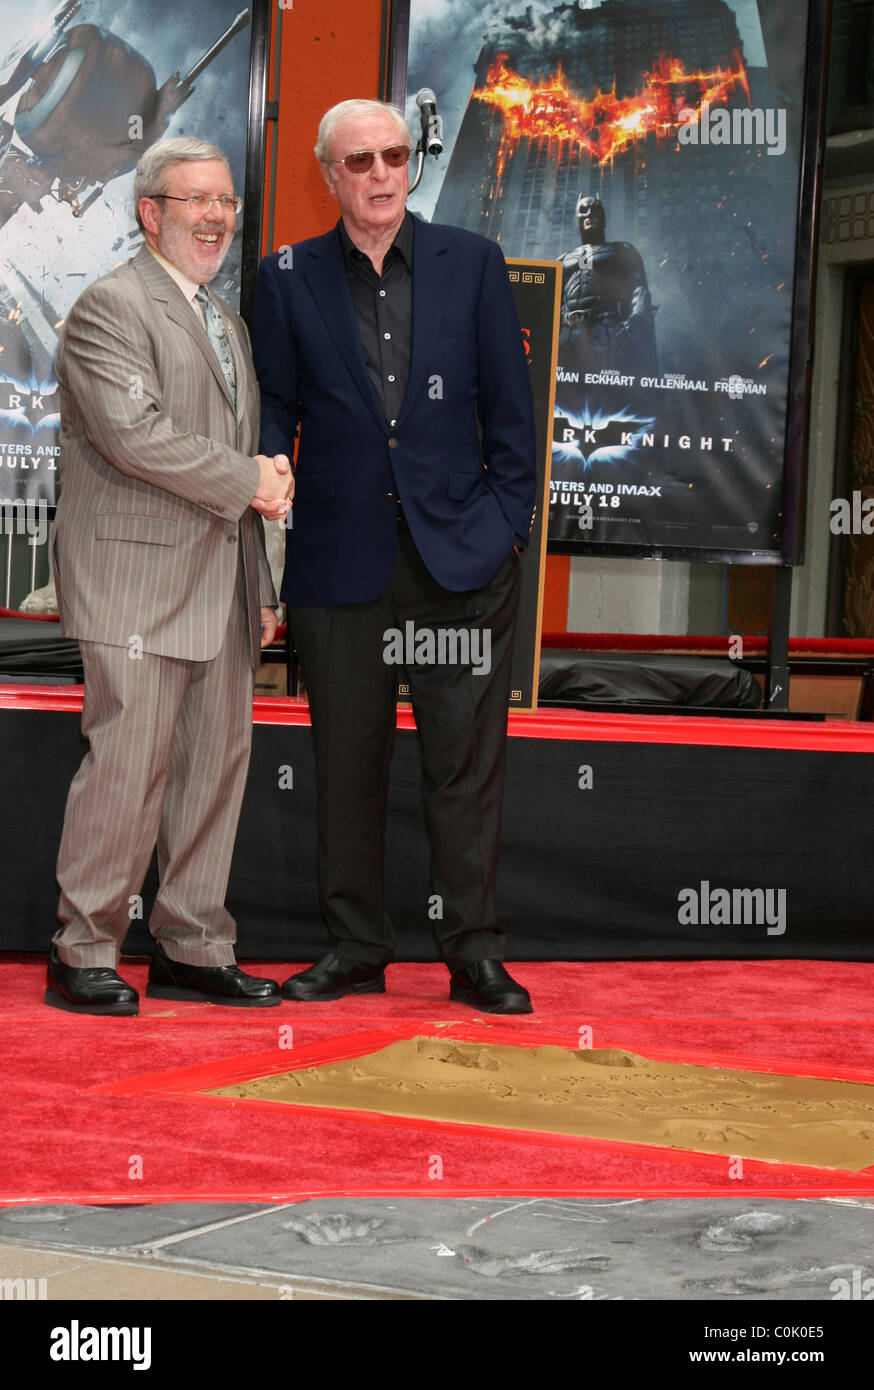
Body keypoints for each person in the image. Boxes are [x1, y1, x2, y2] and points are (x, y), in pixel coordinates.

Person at [253, 99, 537, 1013]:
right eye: (360, 160)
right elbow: (273, 413)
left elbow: (512, 423)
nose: (381, 174)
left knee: (465, 766)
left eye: (394, 156)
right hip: (342, 568)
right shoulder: (285, 278)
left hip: (462, 566)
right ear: (327, 172)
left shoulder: (475, 264)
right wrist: (265, 484)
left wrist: (505, 528)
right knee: (346, 763)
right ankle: (355, 948)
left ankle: (473, 952)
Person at [46, 136, 292, 1016]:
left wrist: (261, 587)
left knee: (211, 770)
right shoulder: (111, 307)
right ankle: (84, 950)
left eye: (225, 200)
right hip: (136, 588)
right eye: (196, 200)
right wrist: (252, 481)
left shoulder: (225, 320)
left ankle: (192, 945)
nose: (218, 216)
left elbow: (227, 452)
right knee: (128, 768)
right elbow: (133, 434)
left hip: (221, 588)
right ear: (151, 212)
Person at [559, 194, 657, 374]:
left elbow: (639, 289)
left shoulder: (621, 250)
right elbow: (548, 300)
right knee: (560, 393)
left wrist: (634, 322)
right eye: (583, 210)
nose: (590, 214)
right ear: (577, 219)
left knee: (607, 394)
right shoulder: (563, 259)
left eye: (595, 209)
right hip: (567, 335)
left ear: (603, 217)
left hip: (604, 330)